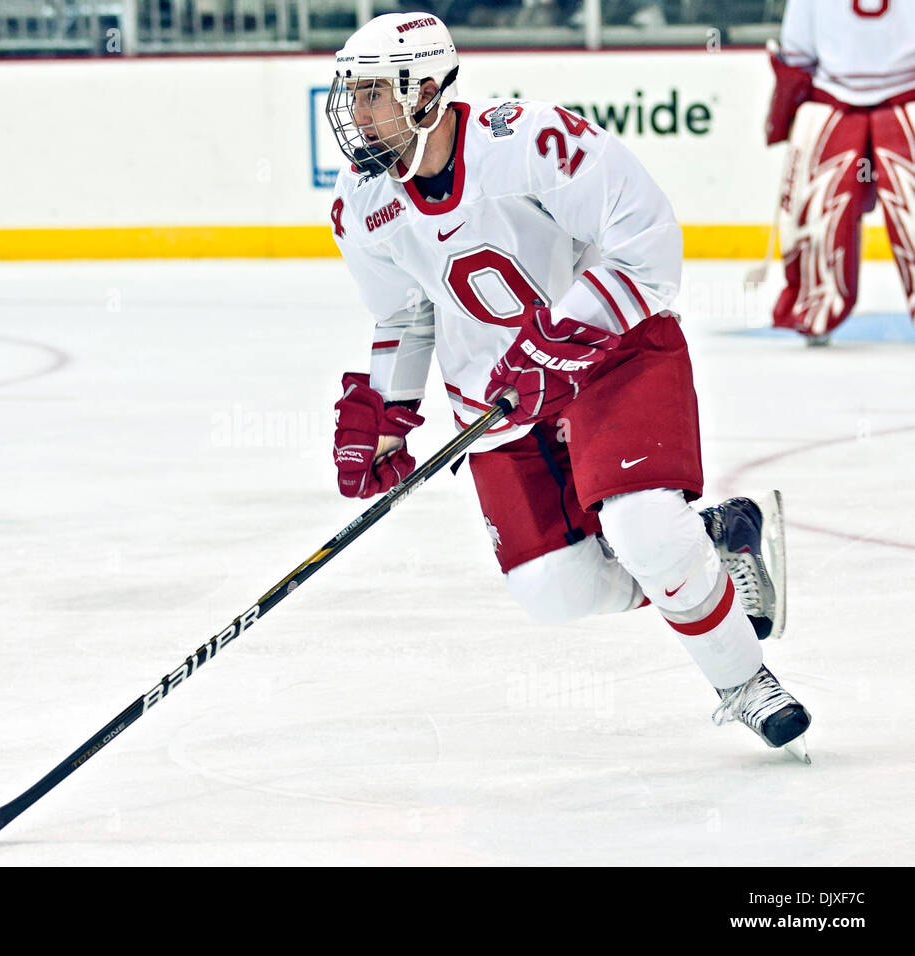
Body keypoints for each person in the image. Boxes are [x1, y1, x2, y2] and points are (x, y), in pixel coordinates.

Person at [324, 12, 811, 759]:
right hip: (500, 395)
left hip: (611, 354)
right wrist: (383, 415)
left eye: (369, 96)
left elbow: (648, 242)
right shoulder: (364, 207)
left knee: (645, 528)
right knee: (556, 590)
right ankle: (712, 546)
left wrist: (563, 336)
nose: (355, 116)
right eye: (350, 97)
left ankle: (743, 680)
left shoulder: (528, 143)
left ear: (423, 92)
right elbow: (404, 315)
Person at [767, 0, 915, 345]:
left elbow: (796, 52)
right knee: (819, 216)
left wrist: (786, 109)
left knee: (817, 217)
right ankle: (816, 308)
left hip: (833, 101)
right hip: (904, 102)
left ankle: (816, 312)